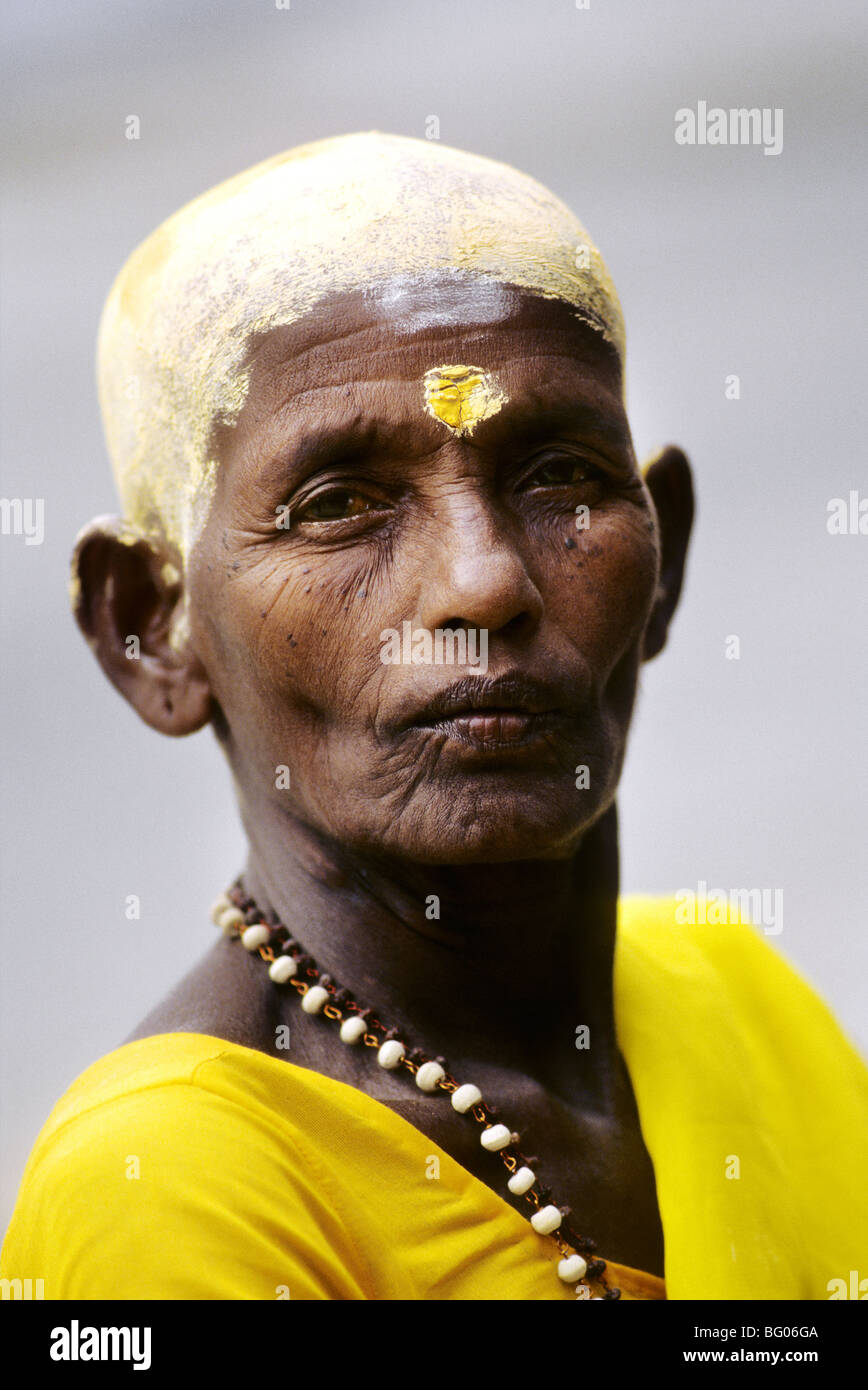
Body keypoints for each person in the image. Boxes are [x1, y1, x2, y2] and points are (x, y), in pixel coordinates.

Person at [2, 133, 866, 1302]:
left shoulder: (735, 991)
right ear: (152, 629)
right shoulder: (169, 1180)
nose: (483, 582)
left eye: (560, 475)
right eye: (338, 504)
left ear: (663, 556)